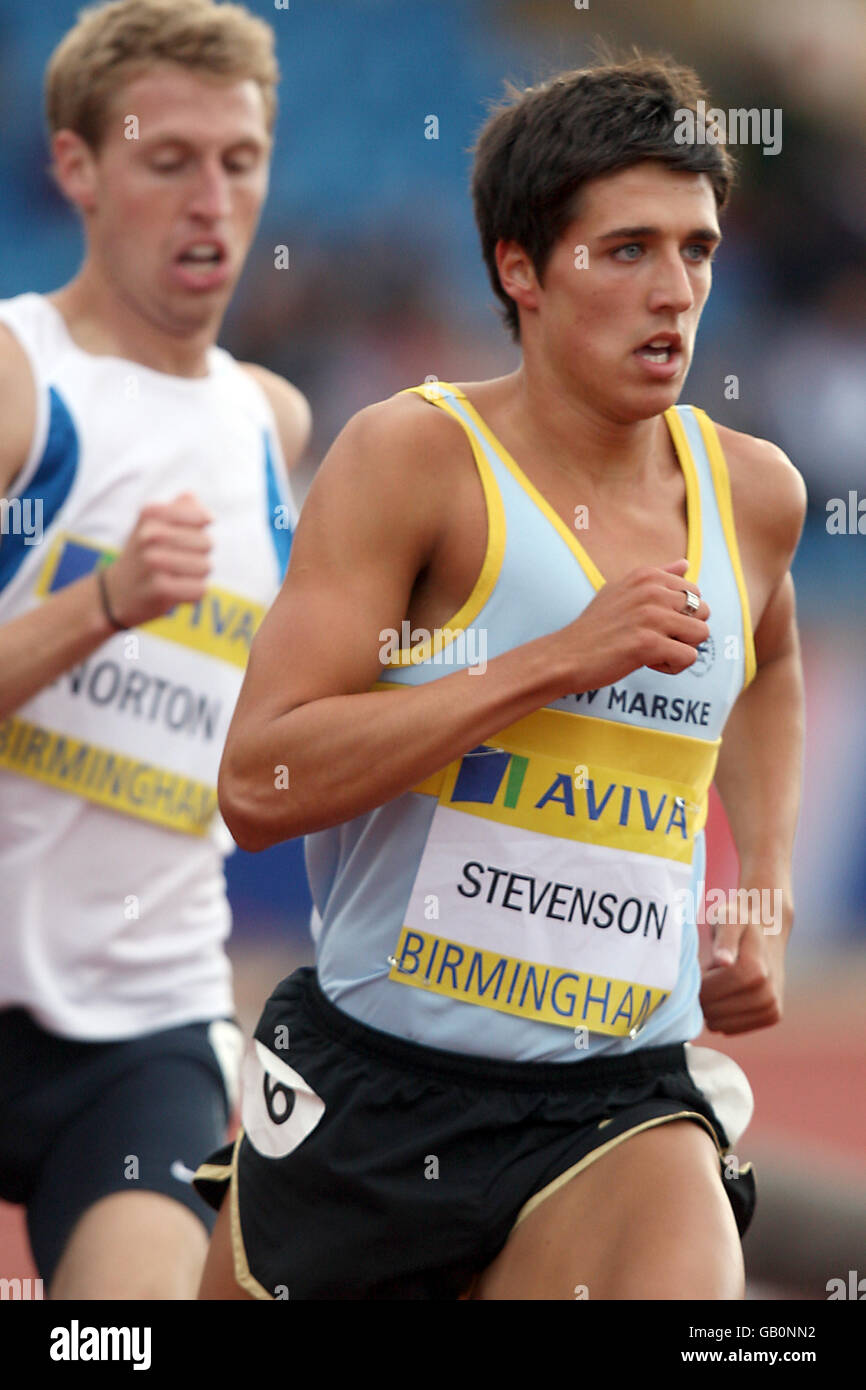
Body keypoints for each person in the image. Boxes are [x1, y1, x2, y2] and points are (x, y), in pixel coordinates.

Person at [196, 55, 805, 1301]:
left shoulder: (753, 494)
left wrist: (764, 891)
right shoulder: (412, 460)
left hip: (618, 1103)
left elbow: (769, 663)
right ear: (519, 271)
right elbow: (258, 783)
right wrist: (549, 663)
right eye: (625, 250)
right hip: (375, 1093)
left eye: (696, 250)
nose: (674, 292)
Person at [0, 0, 310, 1299]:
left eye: (237, 161)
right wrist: (102, 603)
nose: (211, 201)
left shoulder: (272, 424)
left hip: (144, 1018)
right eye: (166, 159)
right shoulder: (24, 377)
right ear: (78, 166)